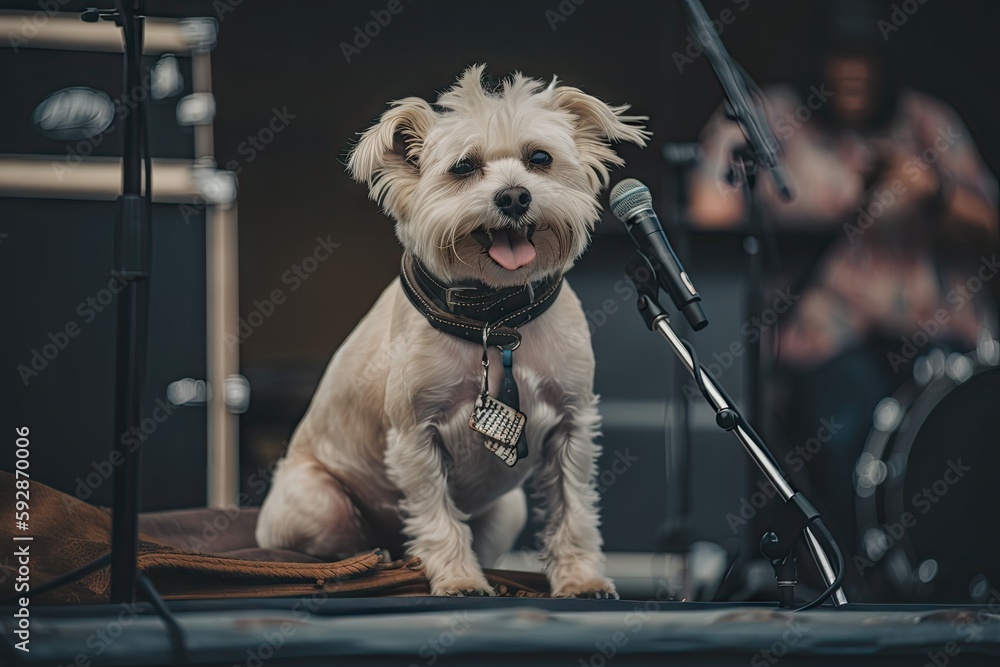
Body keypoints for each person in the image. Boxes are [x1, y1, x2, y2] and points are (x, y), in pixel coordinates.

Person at [687, 5, 998, 599]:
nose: (854, 74)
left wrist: (930, 191)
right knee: (844, 424)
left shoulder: (928, 124)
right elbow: (709, 225)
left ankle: (954, 581)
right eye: (840, 59)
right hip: (825, 344)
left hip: (941, 346)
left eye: (866, 60)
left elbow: (989, 226)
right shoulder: (770, 120)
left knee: (963, 443)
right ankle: (864, 587)